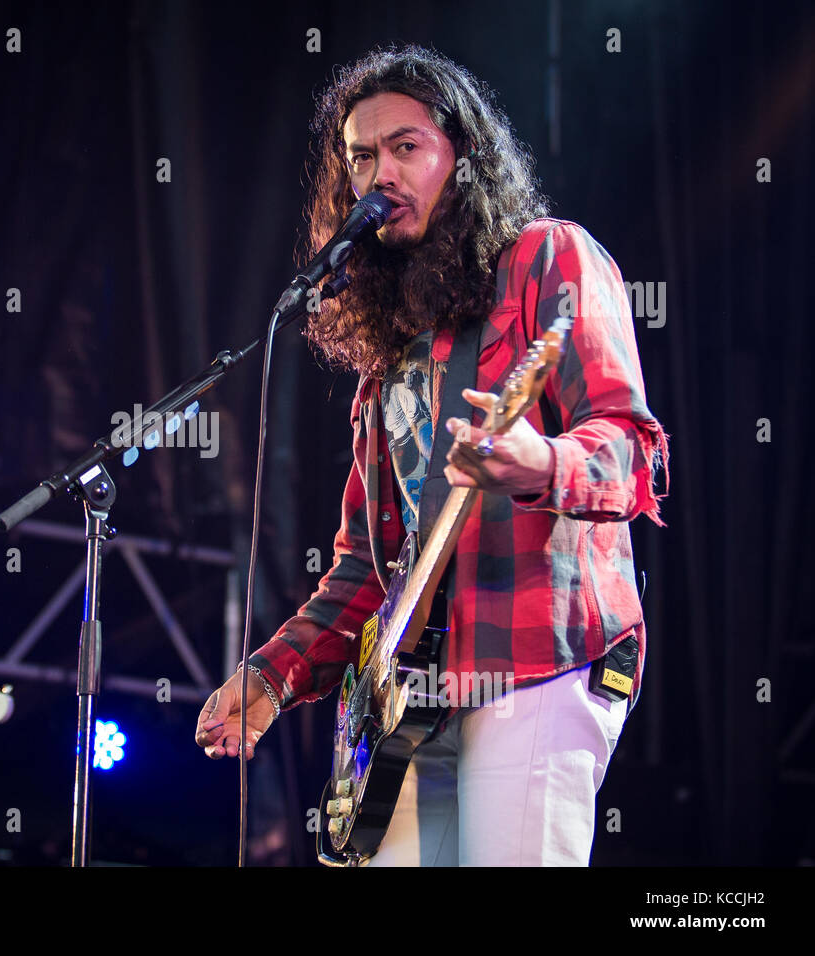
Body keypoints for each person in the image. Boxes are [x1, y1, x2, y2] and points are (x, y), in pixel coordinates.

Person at [194, 45, 668, 866]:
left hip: (536, 660)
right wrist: (271, 675)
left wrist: (536, 463)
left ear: (463, 155)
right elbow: (367, 571)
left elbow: (629, 452)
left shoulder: (546, 257)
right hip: (410, 698)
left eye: (405, 147)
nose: (380, 173)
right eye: (361, 157)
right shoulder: (389, 363)